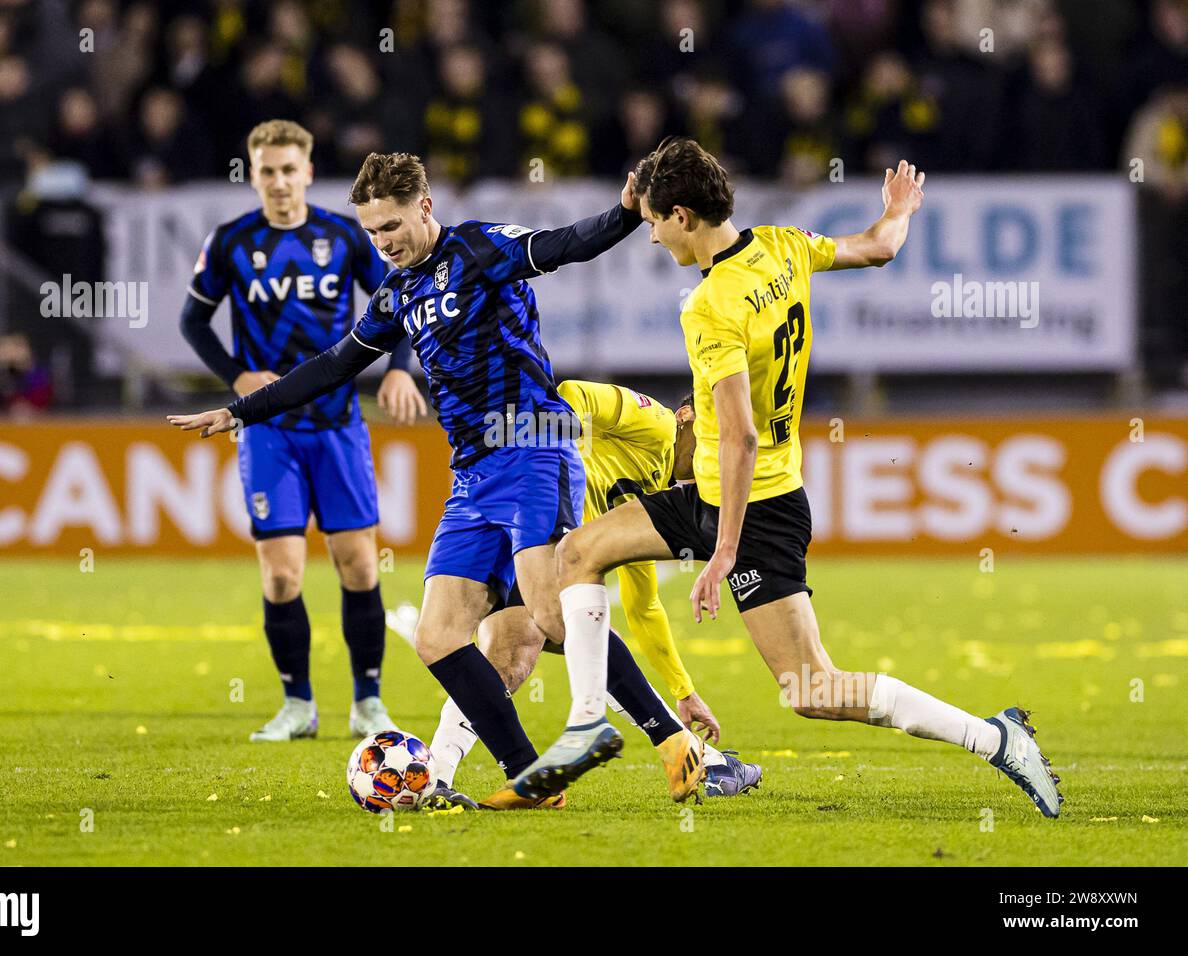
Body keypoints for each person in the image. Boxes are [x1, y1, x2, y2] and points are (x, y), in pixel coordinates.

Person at [510, 138, 1063, 820]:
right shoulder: (782, 244)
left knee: (812, 689)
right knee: (578, 554)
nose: (650, 237)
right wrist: (899, 210)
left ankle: (994, 737)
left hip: (756, 508)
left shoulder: (711, 305)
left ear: (683, 216)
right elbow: (878, 248)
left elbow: (739, 435)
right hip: (715, 495)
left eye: (653, 221)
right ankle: (589, 719)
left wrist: (723, 552)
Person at [170, 152, 703, 809]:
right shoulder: (398, 294)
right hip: (474, 476)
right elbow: (333, 366)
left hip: (534, 447)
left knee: (550, 614)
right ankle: (531, 778)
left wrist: (624, 215)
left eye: (391, 226)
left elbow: (565, 245)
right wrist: (239, 409)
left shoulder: (479, 247)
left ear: (425, 206)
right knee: (438, 637)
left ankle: (672, 741)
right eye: (371, 232)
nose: (383, 243)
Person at [178, 120, 426, 743]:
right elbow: (193, 321)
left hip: (337, 424)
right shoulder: (232, 241)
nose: (280, 182)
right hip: (268, 432)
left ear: (308, 172)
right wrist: (236, 376)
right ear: (254, 173)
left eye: (290, 170)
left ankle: (367, 701)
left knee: (359, 569)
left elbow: (400, 300)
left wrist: (400, 370)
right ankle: (298, 705)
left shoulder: (343, 234)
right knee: (282, 576)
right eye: (268, 171)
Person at [425, 380, 763, 808]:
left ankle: (439, 773)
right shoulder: (655, 422)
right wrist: (547, 465)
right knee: (516, 642)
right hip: (532, 522)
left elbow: (644, 604)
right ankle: (692, 754)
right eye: (713, 437)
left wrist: (683, 689)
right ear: (687, 417)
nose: (716, 453)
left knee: (511, 655)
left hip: (539, 542)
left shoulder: (655, 497)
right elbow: (572, 393)